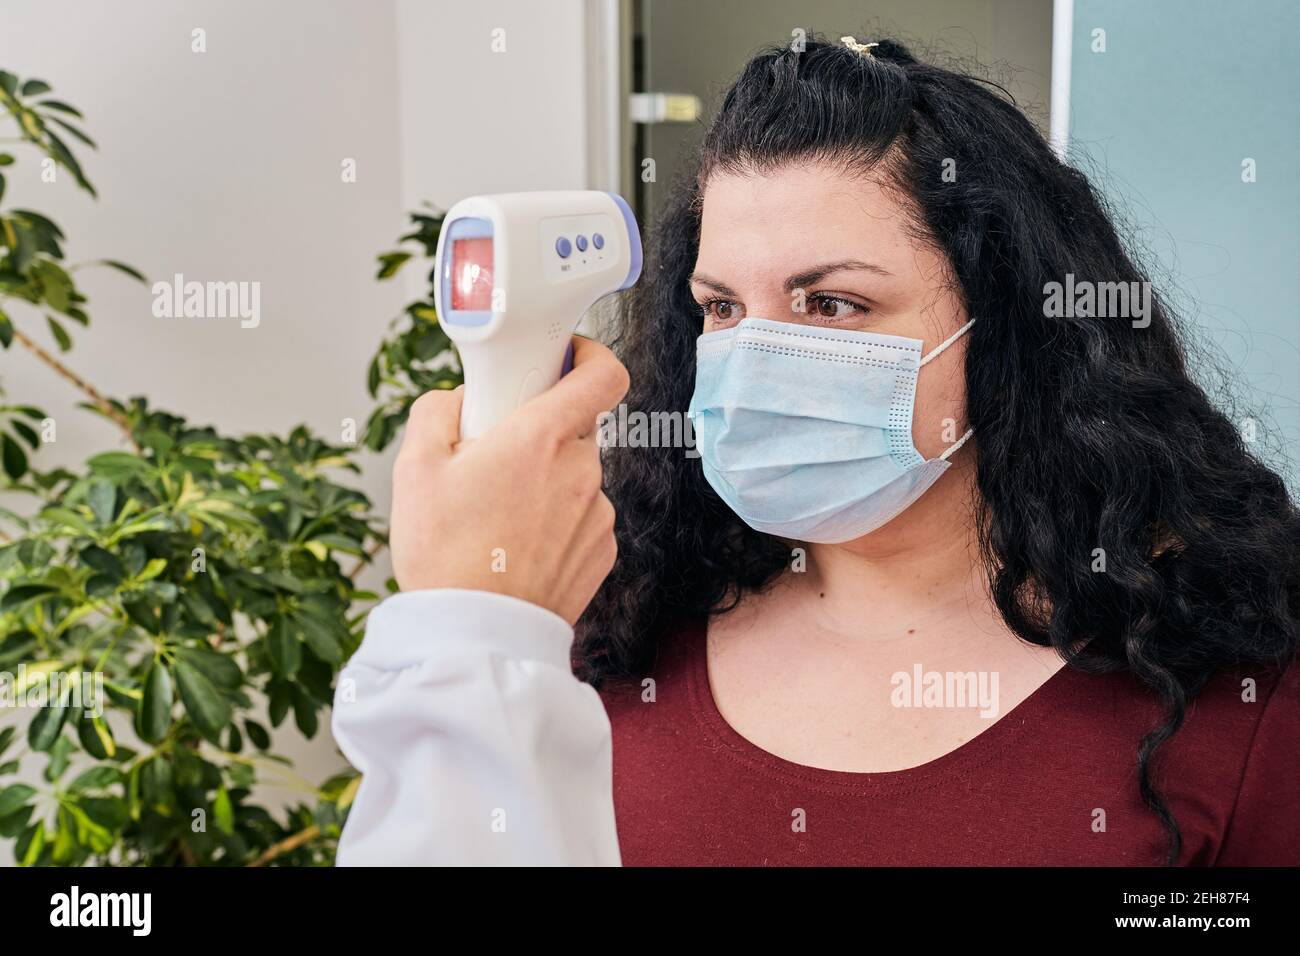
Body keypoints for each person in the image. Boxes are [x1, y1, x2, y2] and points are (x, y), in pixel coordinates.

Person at [331, 37, 1300, 866]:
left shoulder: (1224, 700)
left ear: (1001, 325)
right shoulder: (610, 644)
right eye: (720, 307)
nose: (754, 355)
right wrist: (481, 624)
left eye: (831, 303)